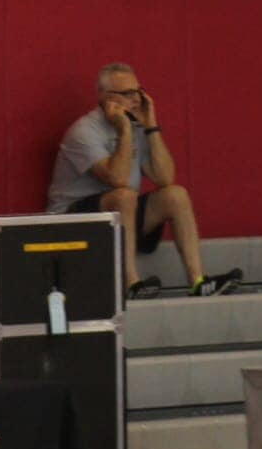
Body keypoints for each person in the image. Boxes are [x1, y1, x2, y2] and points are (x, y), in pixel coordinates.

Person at [47, 62, 240, 299]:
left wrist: (151, 126)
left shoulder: (138, 126)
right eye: (127, 94)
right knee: (125, 195)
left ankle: (198, 282)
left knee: (175, 194)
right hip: (73, 223)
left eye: (138, 91)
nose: (136, 99)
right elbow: (117, 179)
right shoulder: (84, 131)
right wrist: (125, 131)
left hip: (120, 219)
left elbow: (165, 177)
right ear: (105, 97)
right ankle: (130, 284)